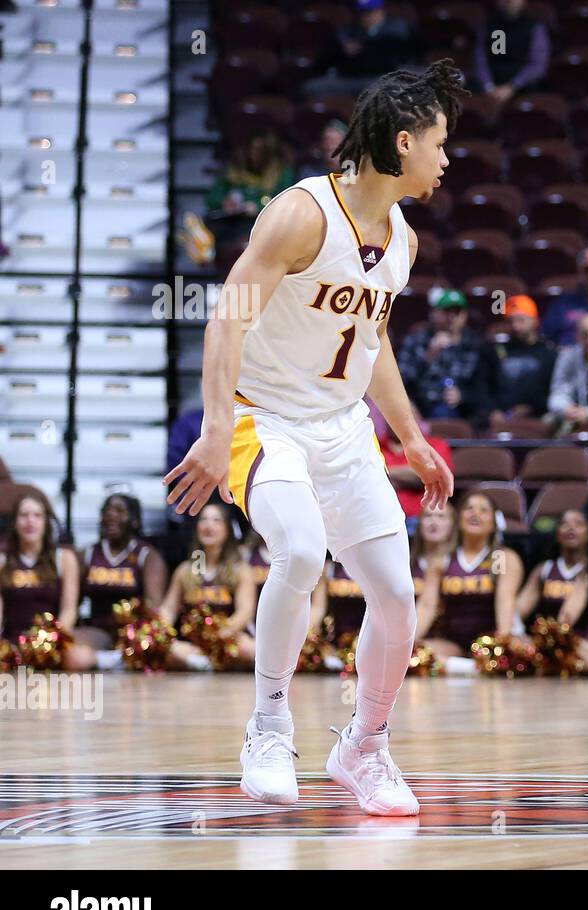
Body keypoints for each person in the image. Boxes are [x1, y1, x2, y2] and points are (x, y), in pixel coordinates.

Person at [164, 62, 461, 816]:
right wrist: (213, 427)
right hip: (264, 418)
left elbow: (373, 340)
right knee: (297, 548)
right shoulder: (300, 214)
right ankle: (268, 726)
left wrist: (413, 437)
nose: (447, 158)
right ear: (403, 142)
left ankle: (363, 746)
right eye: (439, 143)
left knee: (396, 595)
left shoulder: (403, 240)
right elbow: (227, 314)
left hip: (343, 428)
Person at [420, 491, 523, 668]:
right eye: (469, 509)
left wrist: (501, 643)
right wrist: (408, 642)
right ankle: (472, 668)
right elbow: (426, 605)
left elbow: (505, 601)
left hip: (492, 639)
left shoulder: (499, 558)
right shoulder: (443, 559)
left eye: (484, 510)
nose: (475, 514)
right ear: (458, 519)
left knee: (515, 655)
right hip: (453, 643)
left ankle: (466, 666)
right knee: (415, 654)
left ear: (493, 523)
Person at [0, 493, 95, 670]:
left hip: (51, 640)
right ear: (14, 523)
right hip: (12, 640)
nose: (30, 521)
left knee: (81, 658)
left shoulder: (64, 559)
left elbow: (69, 610)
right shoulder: (3, 561)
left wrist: (49, 640)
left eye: (37, 515)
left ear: (46, 523)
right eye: (24, 515)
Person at [157, 502, 257, 669]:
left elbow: (244, 613)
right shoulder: (185, 570)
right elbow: (168, 610)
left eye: (216, 520)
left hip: (229, 639)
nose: (208, 525)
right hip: (192, 644)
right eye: (203, 520)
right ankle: (202, 662)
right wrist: (157, 632)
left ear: (228, 530)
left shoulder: (241, 570)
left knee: (250, 649)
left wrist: (216, 637)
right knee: (163, 648)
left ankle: (203, 662)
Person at [78, 494, 167, 648]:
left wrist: (141, 638)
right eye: (107, 511)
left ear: (134, 520)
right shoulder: (89, 552)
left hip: (135, 635)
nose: (111, 515)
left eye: (119, 511)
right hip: (97, 632)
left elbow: (154, 607)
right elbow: (72, 601)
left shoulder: (147, 555)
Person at [398, 288, 496, 425]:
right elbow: (401, 381)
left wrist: (463, 395)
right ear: (434, 313)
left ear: (465, 315)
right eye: (447, 312)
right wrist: (428, 357)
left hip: (467, 414)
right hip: (423, 410)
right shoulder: (416, 340)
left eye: (457, 312)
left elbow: (487, 386)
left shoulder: (477, 345)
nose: (452, 317)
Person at [204, 132, 297, 247]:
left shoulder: (282, 174)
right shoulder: (235, 169)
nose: (254, 154)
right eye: (252, 149)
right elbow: (212, 197)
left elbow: (284, 204)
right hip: (231, 220)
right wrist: (224, 202)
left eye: (259, 151)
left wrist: (257, 207)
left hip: (260, 223)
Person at [304, 0, 414, 97]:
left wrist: (363, 48)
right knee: (312, 87)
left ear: (381, 11)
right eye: (362, 13)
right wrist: (343, 48)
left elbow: (388, 56)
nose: (365, 17)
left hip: (378, 78)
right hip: (349, 78)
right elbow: (328, 58)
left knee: (387, 90)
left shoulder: (394, 29)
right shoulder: (351, 31)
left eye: (369, 12)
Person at [489, 294, 556, 419]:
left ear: (535, 321)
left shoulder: (548, 353)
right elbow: (487, 386)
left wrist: (532, 408)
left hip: (537, 415)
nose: (515, 326)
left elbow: (553, 391)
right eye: (511, 321)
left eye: (521, 320)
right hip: (502, 416)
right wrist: (493, 410)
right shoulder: (497, 350)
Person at [472, 0, 550, 103]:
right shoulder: (487, 26)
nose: (509, 1)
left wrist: (512, 86)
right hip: (489, 87)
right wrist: (489, 87)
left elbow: (537, 66)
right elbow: (480, 62)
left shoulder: (534, 27)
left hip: (523, 87)